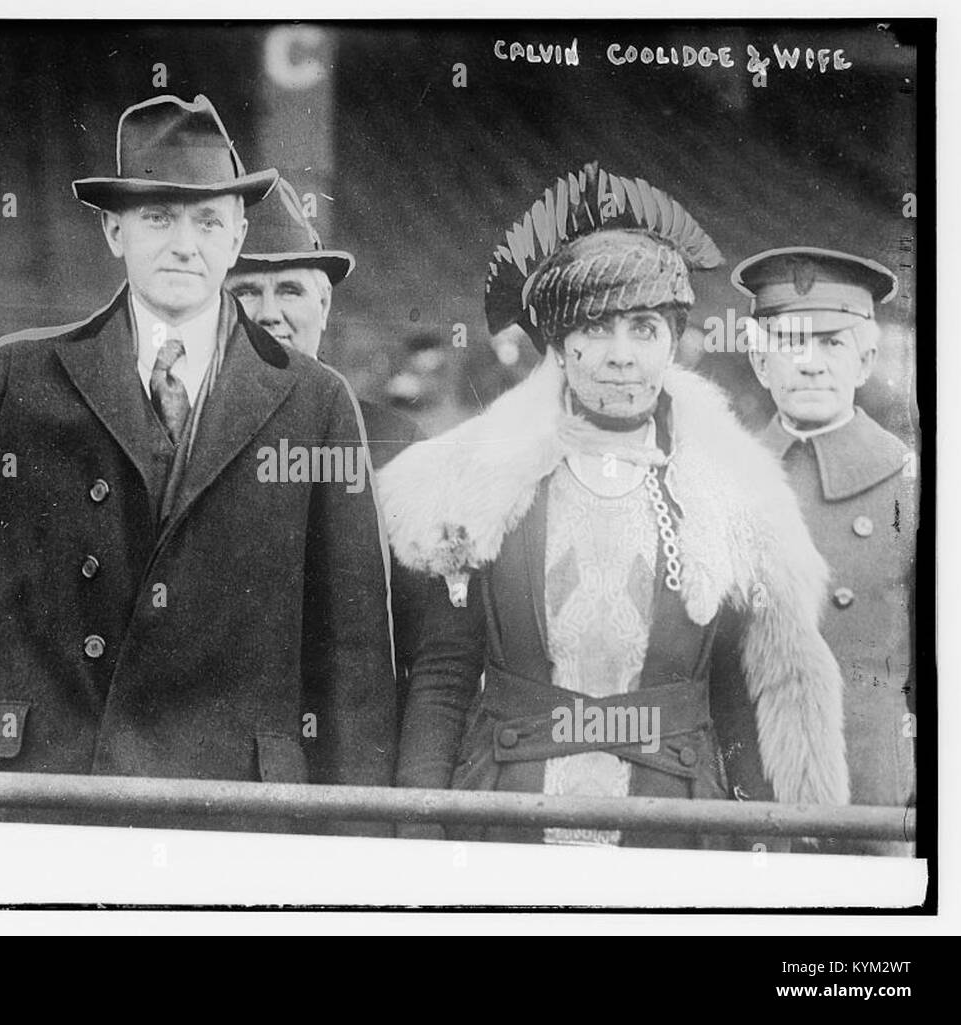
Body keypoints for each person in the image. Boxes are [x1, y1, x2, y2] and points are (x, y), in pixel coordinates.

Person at [0, 92, 396, 833]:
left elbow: (353, 658)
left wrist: (359, 852)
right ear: (114, 230)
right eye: (158, 217)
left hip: (229, 819)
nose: (185, 243)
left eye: (209, 219)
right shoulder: (28, 374)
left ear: (239, 232)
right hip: (38, 808)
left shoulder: (315, 402)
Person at [379, 162, 849, 849]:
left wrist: (758, 844)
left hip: (674, 823)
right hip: (506, 815)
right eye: (595, 330)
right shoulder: (486, 482)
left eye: (643, 328)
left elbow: (733, 692)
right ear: (561, 349)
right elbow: (446, 674)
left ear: (672, 342)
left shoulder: (727, 490)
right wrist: (418, 829)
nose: (620, 355)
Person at [734, 246, 917, 856]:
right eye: (788, 342)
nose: (809, 364)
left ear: (866, 361)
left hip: (876, 799)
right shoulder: (726, 480)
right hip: (752, 796)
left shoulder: (913, 486)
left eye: (833, 344)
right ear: (761, 363)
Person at [225, 175, 425, 715]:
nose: (268, 313)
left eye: (290, 290)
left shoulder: (394, 443)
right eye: (245, 291)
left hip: (346, 734)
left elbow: (427, 642)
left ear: (325, 304)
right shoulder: (179, 435)